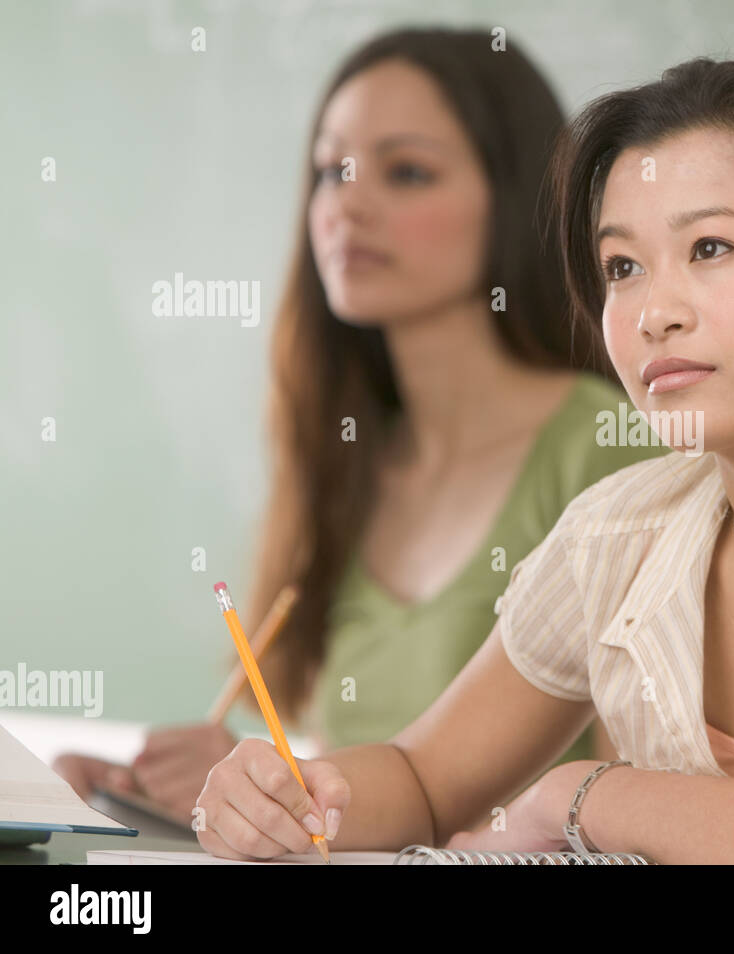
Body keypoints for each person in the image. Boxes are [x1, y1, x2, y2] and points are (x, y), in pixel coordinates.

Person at [194, 55, 734, 865]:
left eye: (710, 247)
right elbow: (422, 780)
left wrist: (578, 796)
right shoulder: (617, 533)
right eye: (622, 267)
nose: (654, 314)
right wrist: (287, 795)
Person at [53, 27, 661, 824]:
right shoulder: (341, 461)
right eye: (328, 172)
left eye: (406, 171)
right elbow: (367, 767)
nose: (347, 203)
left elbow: (619, 809)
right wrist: (220, 791)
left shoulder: (613, 452)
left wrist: (293, 786)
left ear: (517, 199)